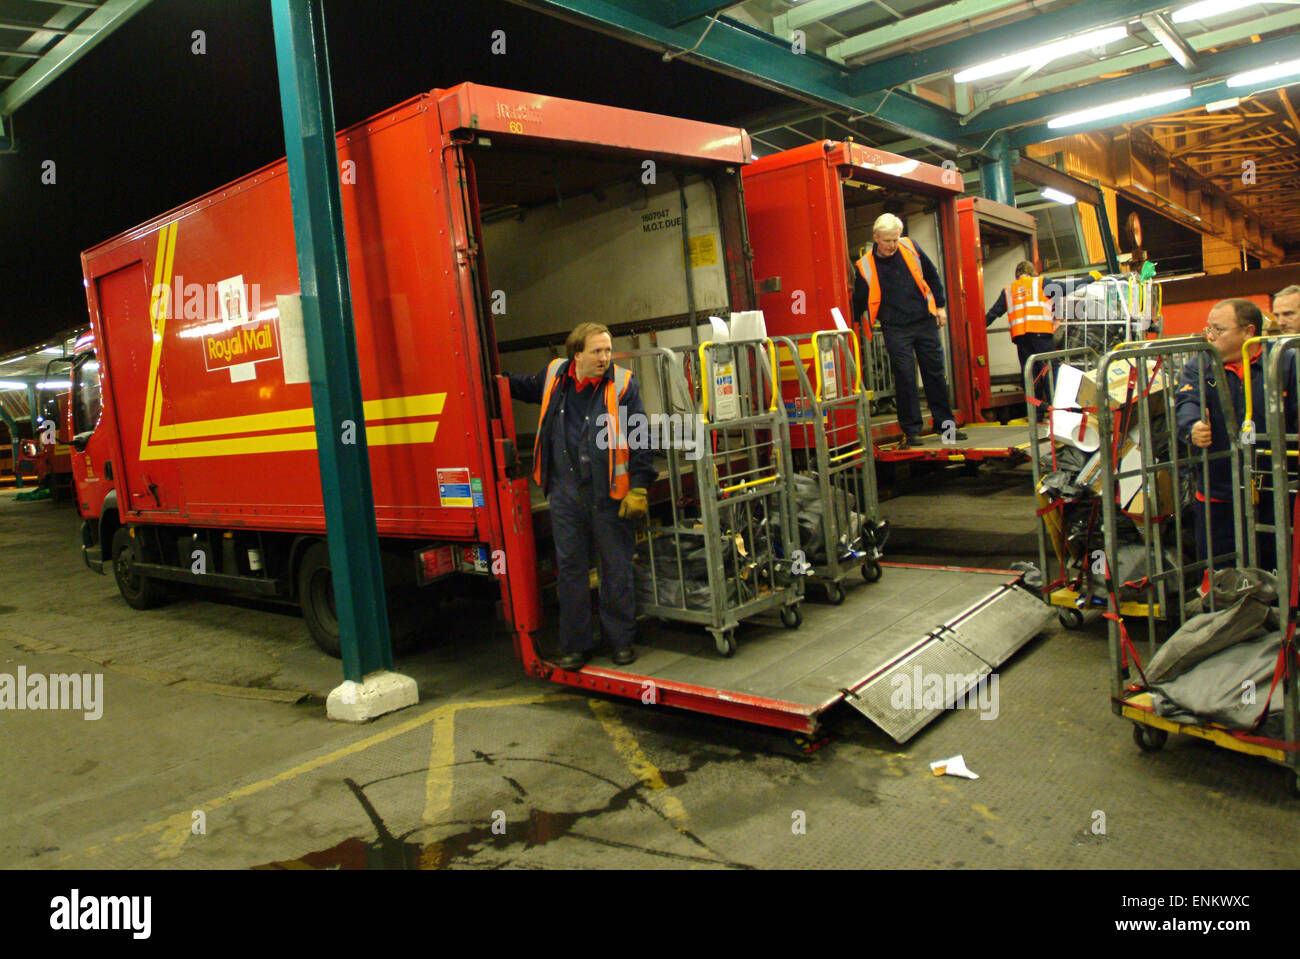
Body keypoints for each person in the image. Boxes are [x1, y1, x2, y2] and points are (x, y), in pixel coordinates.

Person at [509, 323, 655, 669]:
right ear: (577, 355)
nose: (605, 357)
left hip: (607, 492)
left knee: (615, 567)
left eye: (607, 350)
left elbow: (640, 436)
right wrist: (492, 378)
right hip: (564, 491)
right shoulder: (555, 376)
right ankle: (576, 645)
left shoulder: (622, 384)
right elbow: (525, 387)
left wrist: (638, 485)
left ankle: (620, 641)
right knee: (571, 569)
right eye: (597, 351)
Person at [1175, 299, 1286, 571]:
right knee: (1221, 570)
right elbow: (1186, 401)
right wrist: (1192, 427)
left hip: (1276, 488)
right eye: (1208, 329)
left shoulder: (1283, 361)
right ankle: (1224, 613)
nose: (1209, 337)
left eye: (1218, 330)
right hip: (1218, 486)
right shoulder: (1201, 364)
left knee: (1278, 566)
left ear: (1248, 332)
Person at [852, 213, 966, 449]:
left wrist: (941, 306)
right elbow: (860, 299)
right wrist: (850, 324)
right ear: (875, 238)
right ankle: (912, 431)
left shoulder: (910, 247)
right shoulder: (865, 265)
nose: (892, 245)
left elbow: (932, 275)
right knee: (904, 377)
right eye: (887, 241)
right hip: (895, 328)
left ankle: (946, 427)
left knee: (935, 374)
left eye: (895, 239)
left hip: (924, 321)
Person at [984, 259, 1056, 402]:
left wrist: (978, 328)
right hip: (1041, 335)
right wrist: (1091, 278)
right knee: (1049, 370)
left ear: (1016, 274)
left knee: (1030, 373)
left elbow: (994, 312)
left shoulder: (1009, 290)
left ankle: (1036, 413)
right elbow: (1066, 287)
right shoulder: (1041, 283)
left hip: (1021, 338)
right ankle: (1055, 408)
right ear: (1032, 272)